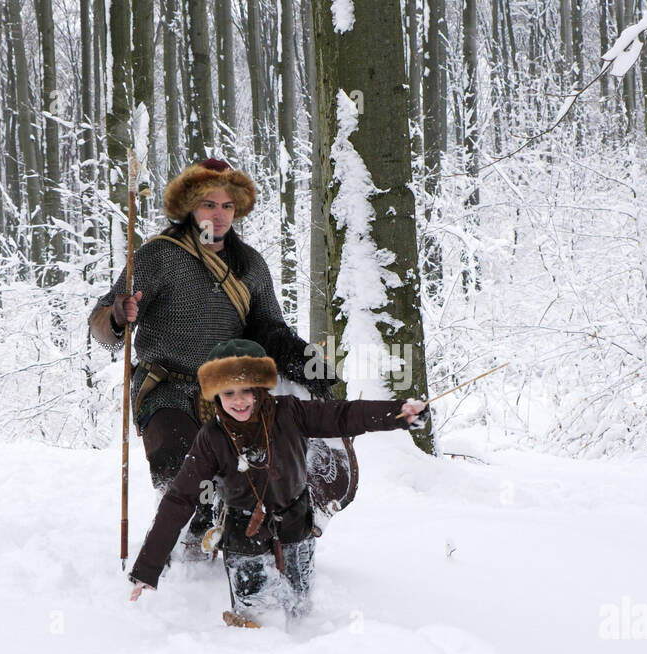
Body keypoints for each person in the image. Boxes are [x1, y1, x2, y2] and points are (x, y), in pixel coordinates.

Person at [89, 159, 334, 556]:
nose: (218, 215)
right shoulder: (156, 257)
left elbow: (270, 328)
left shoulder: (250, 265)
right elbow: (101, 323)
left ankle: (227, 542)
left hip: (228, 391)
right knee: (183, 470)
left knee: (243, 476)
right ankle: (175, 549)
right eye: (208, 204)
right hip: (164, 388)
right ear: (188, 207)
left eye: (227, 206)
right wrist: (118, 315)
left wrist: (308, 365)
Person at [126, 339, 428, 627]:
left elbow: (344, 415)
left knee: (300, 613)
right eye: (228, 393)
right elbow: (179, 499)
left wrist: (399, 413)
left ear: (260, 388)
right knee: (258, 622)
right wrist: (147, 567)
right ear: (216, 395)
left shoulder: (290, 412)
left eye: (247, 390)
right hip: (245, 537)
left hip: (296, 526)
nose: (239, 401)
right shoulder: (212, 439)